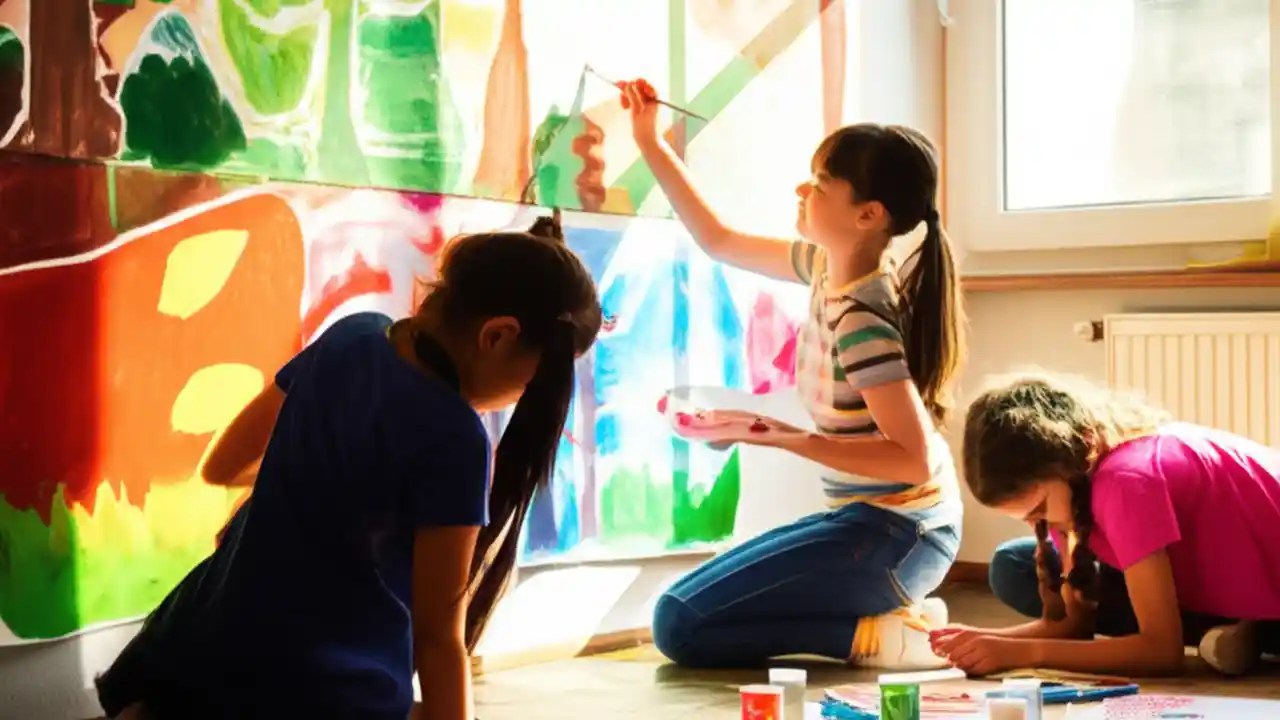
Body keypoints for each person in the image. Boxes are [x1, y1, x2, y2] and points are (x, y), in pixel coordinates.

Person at [95, 216, 603, 719]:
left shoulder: (351, 335)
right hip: (315, 689)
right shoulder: (456, 440)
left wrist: (316, 479)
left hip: (190, 648)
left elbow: (223, 466)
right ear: (497, 336)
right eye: (535, 381)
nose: (521, 399)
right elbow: (437, 643)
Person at [619, 79, 966, 669]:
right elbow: (719, 240)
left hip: (902, 536)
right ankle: (888, 618)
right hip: (871, 524)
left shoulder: (862, 319)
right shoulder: (823, 269)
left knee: (678, 624)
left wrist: (783, 437)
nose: (801, 189)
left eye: (820, 183)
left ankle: (880, 638)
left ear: (868, 214)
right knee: (683, 610)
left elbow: (911, 458)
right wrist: (648, 140)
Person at [935, 372, 1280, 677]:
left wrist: (1022, 653)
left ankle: (1251, 630)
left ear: (1072, 453)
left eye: (1039, 509)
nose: (1037, 524)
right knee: (1014, 565)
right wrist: (983, 640)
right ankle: (1240, 629)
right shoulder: (1073, 480)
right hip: (1228, 574)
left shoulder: (1125, 482)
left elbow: (1162, 651)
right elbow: (1072, 626)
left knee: (1150, 632)